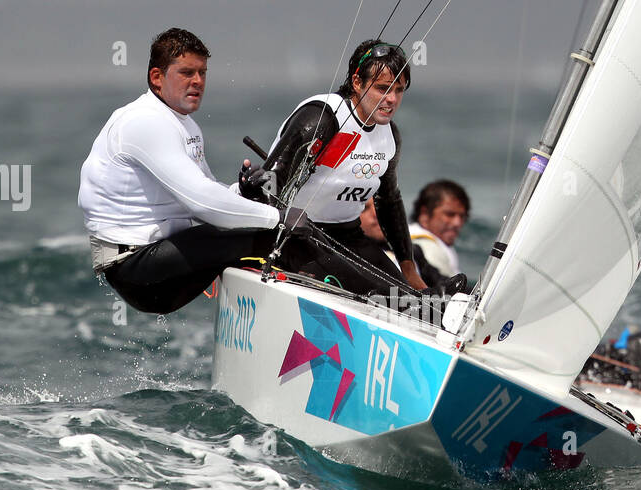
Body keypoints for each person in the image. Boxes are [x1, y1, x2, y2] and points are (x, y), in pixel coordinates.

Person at [79, 28, 307, 314]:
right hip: (135, 269)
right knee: (275, 238)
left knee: (263, 235)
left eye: (202, 72)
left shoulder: (184, 124)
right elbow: (203, 202)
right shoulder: (145, 121)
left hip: (162, 256)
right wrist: (278, 217)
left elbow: (205, 192)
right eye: (187, 72)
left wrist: (242, 192)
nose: (198, 81)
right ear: (157, 78)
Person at [243, 40, 464, 296]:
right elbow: (272, 182)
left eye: (399, 90)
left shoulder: (389, 135)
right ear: (357, 82)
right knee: (389, 295)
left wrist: (409, 269)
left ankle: (427, 304)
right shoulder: (323, 120)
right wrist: (255, 191)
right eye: (382, 88)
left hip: (349, 236)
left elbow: (389, 200)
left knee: (405, 291)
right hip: (295, 237)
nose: (392, 99)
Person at [358, 196, 447, 286]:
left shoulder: (412, 251)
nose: (376, 213)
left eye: (382, 205)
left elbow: (442, 283)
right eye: (364, 208)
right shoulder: (350, 258)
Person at [409, 179, 468, 280]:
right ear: (425, 214)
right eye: (450, 214)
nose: (457, 223)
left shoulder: (407, 235)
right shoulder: (429, 249)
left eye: (462, 216)